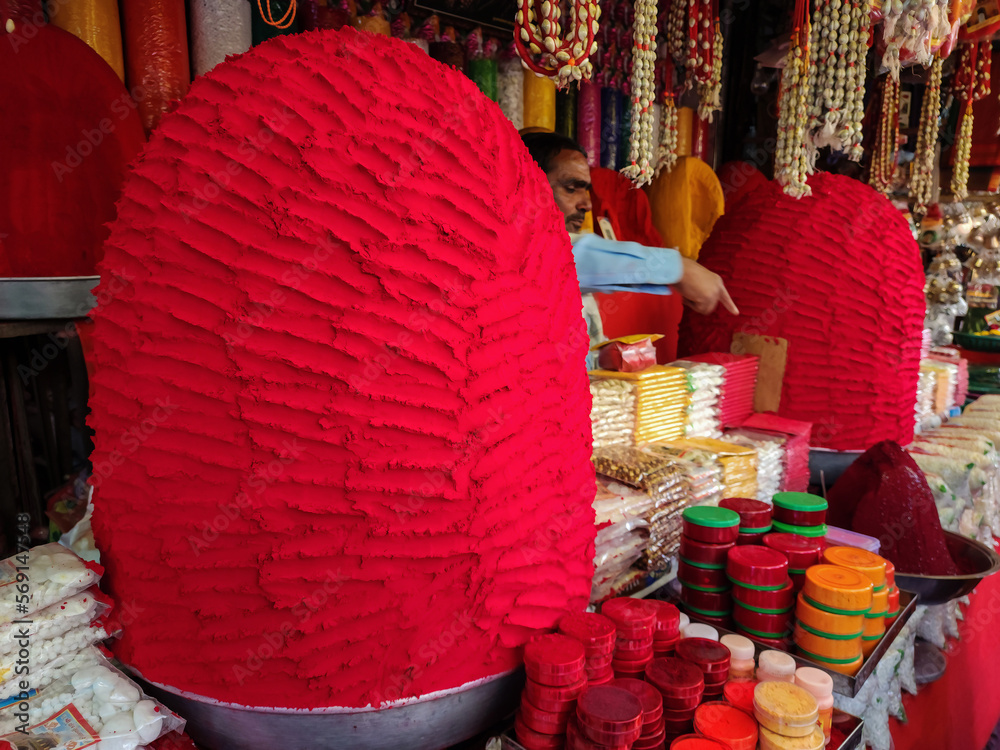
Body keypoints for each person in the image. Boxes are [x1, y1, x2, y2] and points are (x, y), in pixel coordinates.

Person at [521, 132, 739, 321]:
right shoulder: (517, 247)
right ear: (529, 187)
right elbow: (563, 254)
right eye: (571, 188)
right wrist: (678, 268)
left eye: (586, 189)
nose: (587, 204)